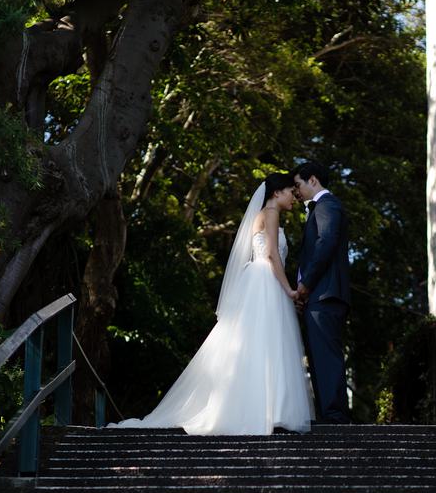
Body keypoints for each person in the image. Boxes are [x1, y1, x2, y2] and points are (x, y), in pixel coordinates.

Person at [111, 173, 313, 435]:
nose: (294, 197)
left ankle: (258, 408)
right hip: (267, 280)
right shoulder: (272, 212)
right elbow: (273, 254)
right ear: (276, 193)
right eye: (290, 191)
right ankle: (269, 409)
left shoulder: (259, 215)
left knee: (253, 345)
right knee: (267, 343)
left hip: (257, 280)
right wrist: (289, 290)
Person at [292, 162, 352, 424]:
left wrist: (306, 284)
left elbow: (325, 242)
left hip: (325, 293)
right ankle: (330, 415)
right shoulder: (320, 208)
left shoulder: (327, 205)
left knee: (326, 356)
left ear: (313, 180)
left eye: (298, 185)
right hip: (321, 295)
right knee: (319, 356)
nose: (296, 191)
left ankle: (335, 416)